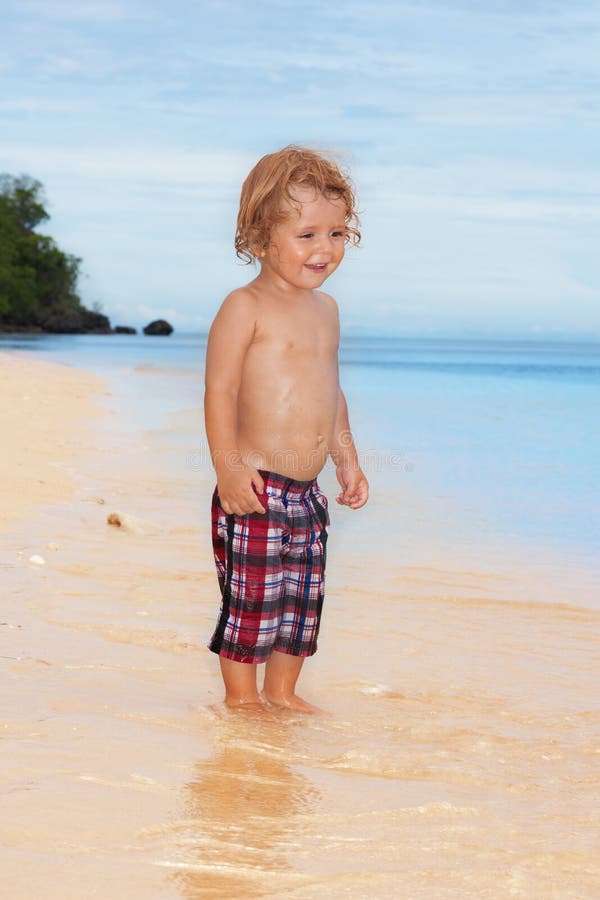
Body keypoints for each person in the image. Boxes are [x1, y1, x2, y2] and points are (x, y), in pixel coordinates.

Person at [205, 145, 369, 713]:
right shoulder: (243, 306)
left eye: (337, 233)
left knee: (301, 603)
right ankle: (242, 699)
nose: (324, 249)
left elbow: (331, 390)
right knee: (254, 602)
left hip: (307, 494)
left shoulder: (327, 312)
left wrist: (346, 458)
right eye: (307, 235)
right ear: (259, 237)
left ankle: (283, 691)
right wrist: (228, 468)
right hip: (254, 487)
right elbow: (219, 391)